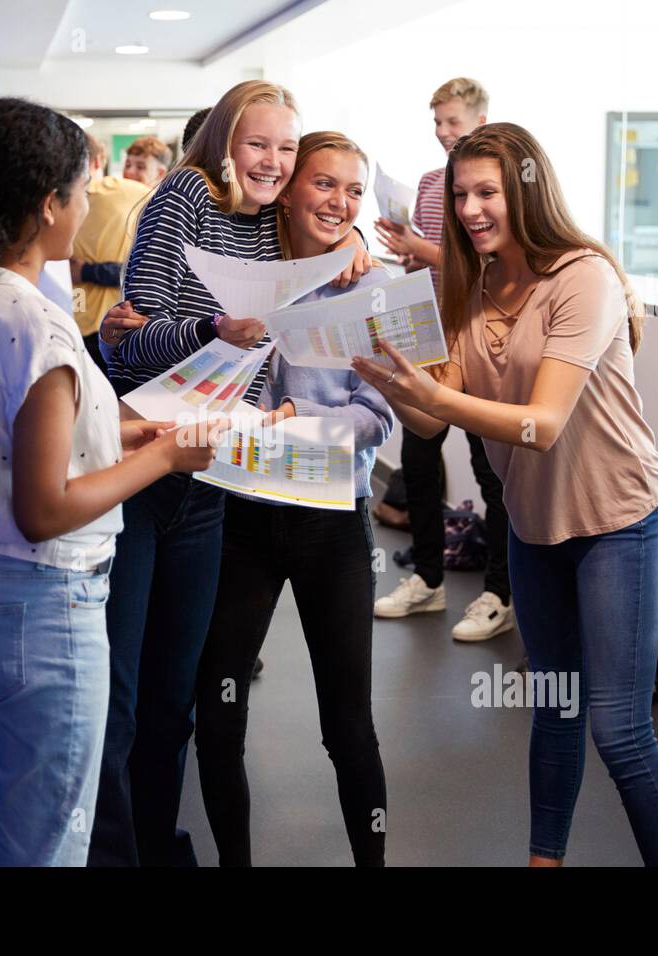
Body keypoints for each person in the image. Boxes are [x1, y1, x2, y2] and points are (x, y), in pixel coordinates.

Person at [353, 122, 658, 867]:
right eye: (460, 195)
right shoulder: (468, 287)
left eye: (487, 193)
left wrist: (432, 399)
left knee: (620, 732)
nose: (471, 210)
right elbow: (433, 408)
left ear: (528, 194)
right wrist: (387, 383)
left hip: (616, 518)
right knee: (556, 708)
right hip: (534, 524)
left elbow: (539, 424)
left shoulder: (583, 276)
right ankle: (545, 862)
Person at [0, 97, 218, 867]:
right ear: (50, 205)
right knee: (45, 848)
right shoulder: (38, 324)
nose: (88, 206)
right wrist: (165, 460)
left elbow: (16, 441)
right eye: (81, 191)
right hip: (42, 608)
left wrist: (130, 433)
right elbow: (45, 509)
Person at [89, 80, 371, 868]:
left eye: (288, 147)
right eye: (259, 144)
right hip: (146, 468)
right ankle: (115, 855)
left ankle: (155, 840)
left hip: (209, 479)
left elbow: (332, 232)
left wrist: (355, 249)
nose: (274, 162)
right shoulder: (184, 194)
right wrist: (215, 327)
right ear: (223, 141)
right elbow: (124, 346)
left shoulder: (272, 231)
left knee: (176, 697)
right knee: (123, 696)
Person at [194, 131, 393, 866]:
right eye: (324, 184)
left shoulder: (375, 289)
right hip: (239, 517)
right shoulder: (242, 271)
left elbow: (378, 415)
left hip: (331, 523)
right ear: (289, 188)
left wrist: (298, 424)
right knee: (217, 710)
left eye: (353, 191)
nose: (339, 203)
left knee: (348, 726)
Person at [371, 78, 515, 643]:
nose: (443, 131)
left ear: (480, 118)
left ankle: (499, 594)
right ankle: (429, 580)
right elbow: (434, 265)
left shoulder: (501, 186)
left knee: (490, 471)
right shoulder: (433, 183)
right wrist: (407, 253)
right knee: (419, 460)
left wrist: (421, 249)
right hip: (429, 340)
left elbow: (488, 265)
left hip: (478, 341)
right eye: (437, 122)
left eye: (453, 121)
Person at [69, 133, 150, 372]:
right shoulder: (131, 192)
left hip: (76, 313)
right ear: (98, 161)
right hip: (109, 322)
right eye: (130, 165)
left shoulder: (56, 199)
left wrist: (85, 270)